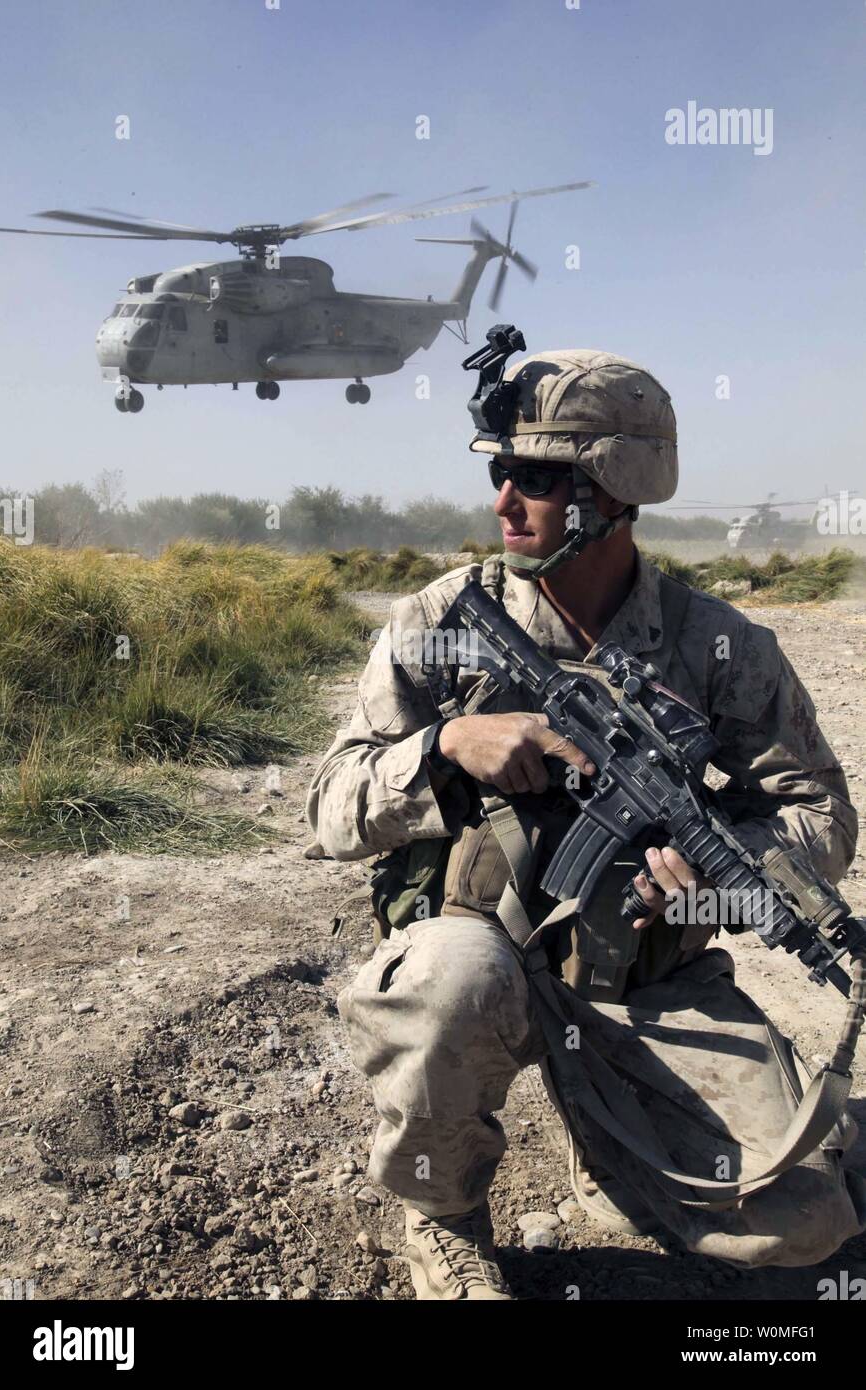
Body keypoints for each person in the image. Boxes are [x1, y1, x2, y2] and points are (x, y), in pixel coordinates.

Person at [306, 343, 862, 1300]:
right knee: (447, 982)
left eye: (534, 479)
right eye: (499, 472)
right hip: (486, 959)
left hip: (648, 982)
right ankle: (441, 1217)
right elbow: (331, 809)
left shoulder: (718, 644)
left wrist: (723, 874)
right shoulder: (441, 620)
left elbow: (821, 816)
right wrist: (445, 746)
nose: (502, 501)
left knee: (803, 1226)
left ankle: (613, 1149)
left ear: (614, 490)